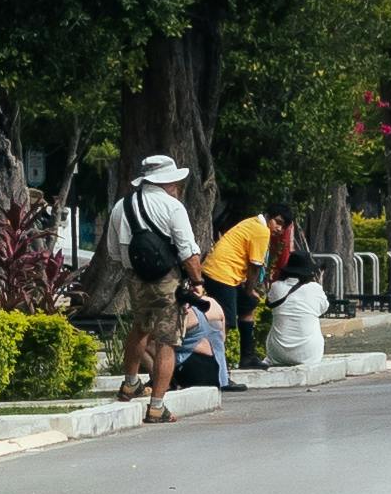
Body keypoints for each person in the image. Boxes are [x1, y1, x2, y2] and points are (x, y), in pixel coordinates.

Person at [112, 151, 203, 418]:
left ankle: (130, 384)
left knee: (139, 328)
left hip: (134, 277)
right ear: (166, 182)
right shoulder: (173, 207)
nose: (176, 186)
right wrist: (197, 281)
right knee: (167, 340)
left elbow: (114, 251)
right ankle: (157, 406)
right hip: (167, 280)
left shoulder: (121, 206)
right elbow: (188, 252)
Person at [199, 200, 291, 370]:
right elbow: (255, 266)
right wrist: (249, 290)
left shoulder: (253, 223)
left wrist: (248, 294)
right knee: (223, 321)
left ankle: (247, 357)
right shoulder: (261, 231)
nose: (279, 228)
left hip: (219, 272)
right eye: (278, 222)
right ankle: (218, 370)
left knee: (247, 306)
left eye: (283, 226)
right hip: (221, 274)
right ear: (268, 216)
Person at [261, 248, 330, 376]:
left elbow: (270, 303)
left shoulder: (276, 286)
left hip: (277, 353)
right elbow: (323, 308)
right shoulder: (315, 288)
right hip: (308, 353)